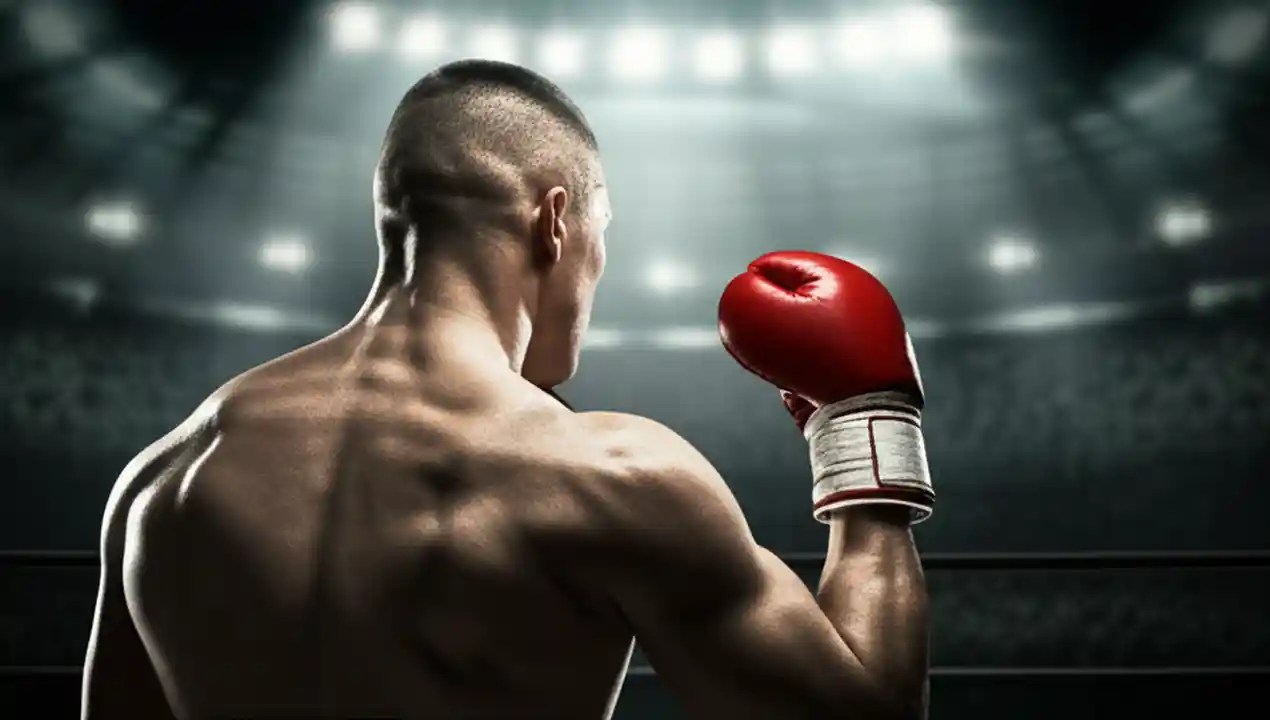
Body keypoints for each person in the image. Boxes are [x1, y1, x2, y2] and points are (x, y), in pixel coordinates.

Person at [82, 60, 932, 720]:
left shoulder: (163, 480)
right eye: (602, 232)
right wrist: (862, 419)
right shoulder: (610, 477)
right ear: (554, 221)